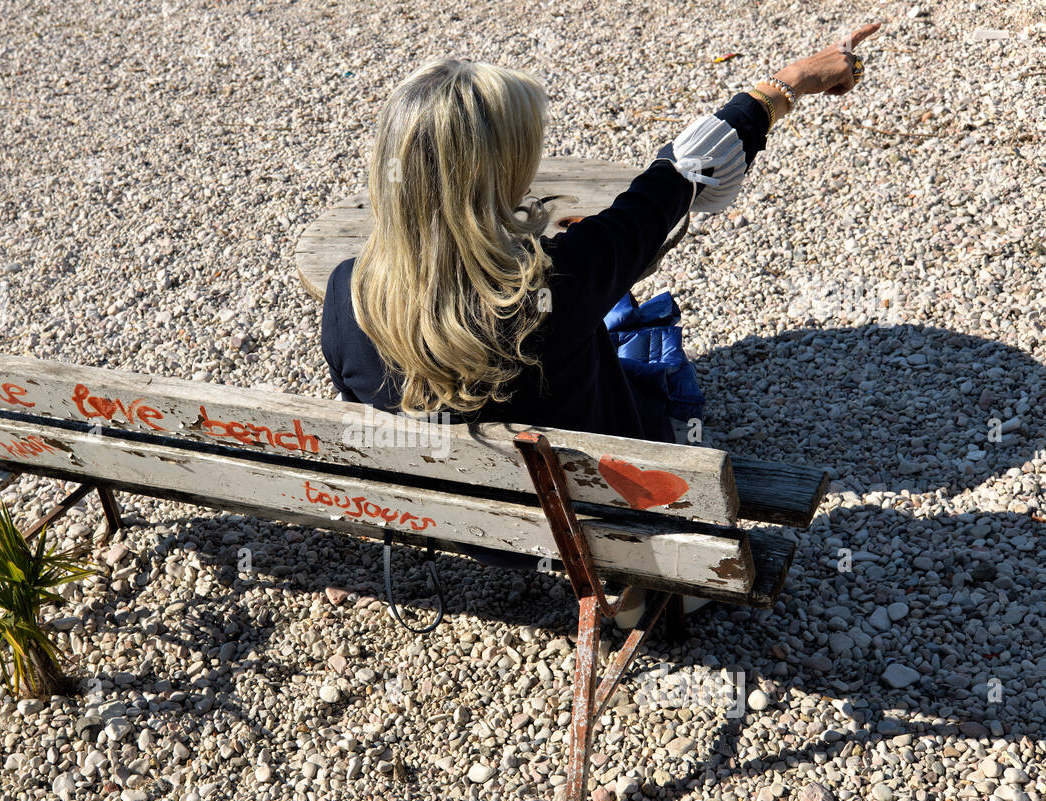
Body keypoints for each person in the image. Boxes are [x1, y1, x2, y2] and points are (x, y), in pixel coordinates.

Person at [321, 25, 881, 621]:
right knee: (647, 354)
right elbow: (679, 177)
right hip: (594, 519)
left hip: (458, 524)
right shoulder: (565, 278)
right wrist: (788, 85)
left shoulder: (345, 292)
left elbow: (368, 409)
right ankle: (646, 585)